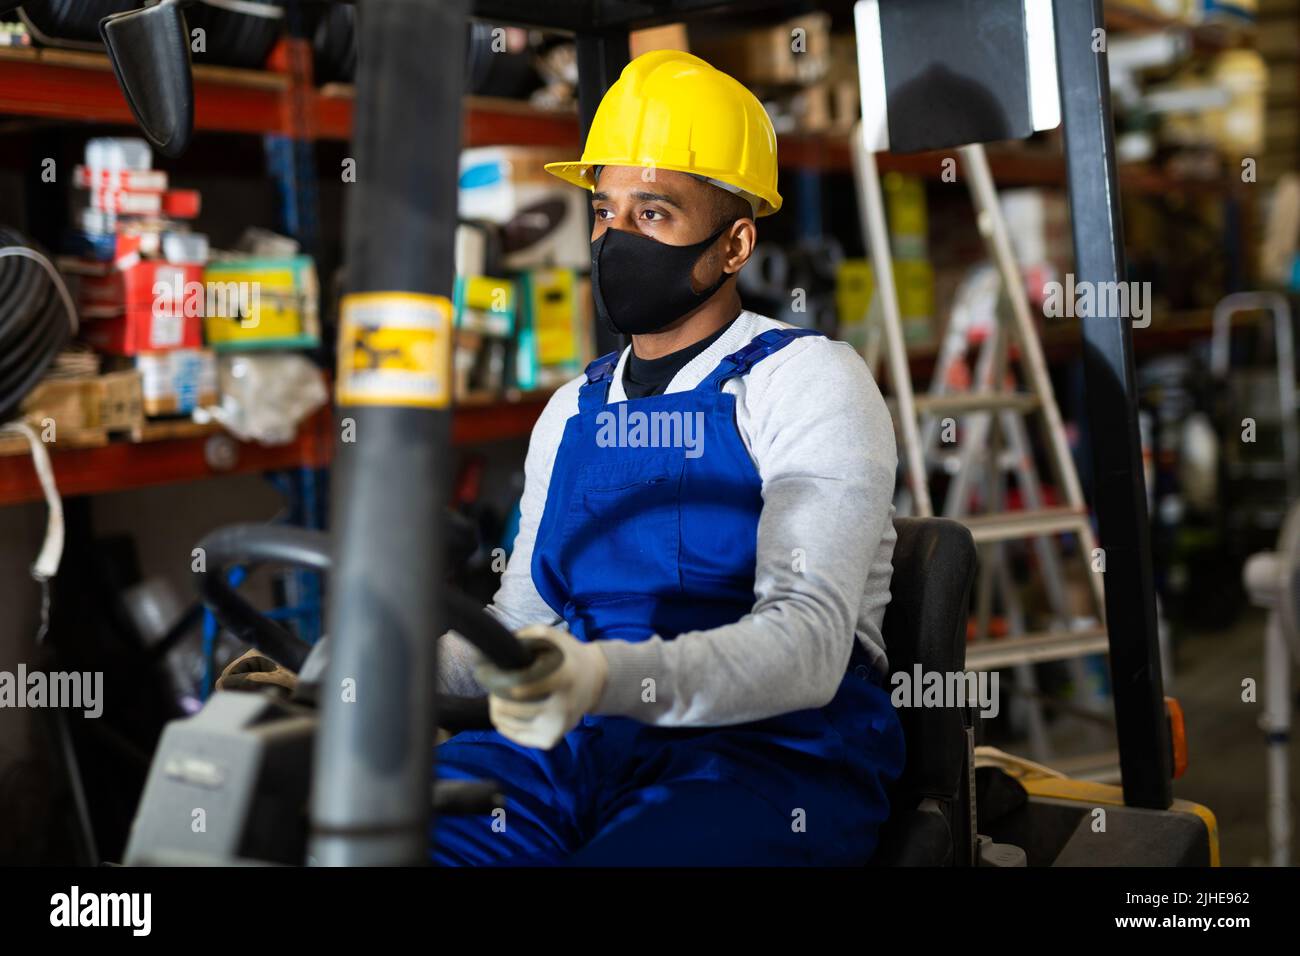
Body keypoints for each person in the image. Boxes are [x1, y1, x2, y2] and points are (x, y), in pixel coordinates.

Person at [427, 49, 905, 866]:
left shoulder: (806, 380)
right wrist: (373, 665)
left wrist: (600, 676)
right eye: (606, 211)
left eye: (653, 213)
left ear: (734, 244)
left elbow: (807, 644)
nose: (615, 238)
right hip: (576, 747)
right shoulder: (572, 410)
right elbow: (519, 629)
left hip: (767, 760)